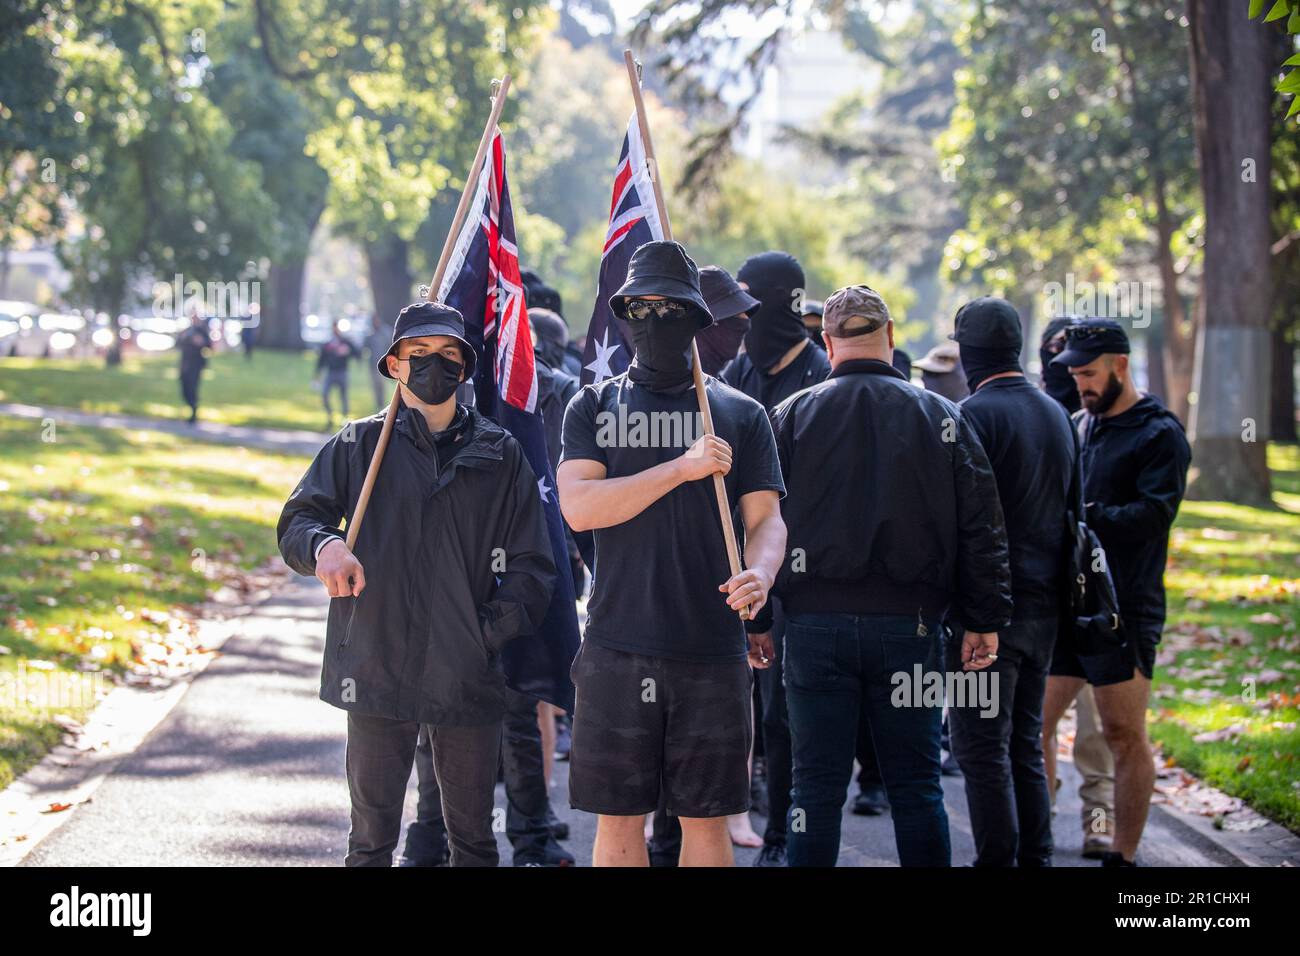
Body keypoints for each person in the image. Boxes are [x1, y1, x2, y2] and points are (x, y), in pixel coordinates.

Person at [277, 301, 556, 867]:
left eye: (448, 354)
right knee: (370, 842)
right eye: (420, 354)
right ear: (394, 365)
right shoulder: (359, 446)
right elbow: (297, 522)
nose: (435, 364)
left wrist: (484, 634)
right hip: (376, 662)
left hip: (467, 673)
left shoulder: (500, 453)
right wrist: (324, 545)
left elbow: (534, 566)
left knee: (474, 843)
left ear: (464, 367)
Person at [557, 240, 787, 867]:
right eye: (639, 308)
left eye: (670, 309)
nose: (653, 321)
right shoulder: (594, 405)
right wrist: (681, 467)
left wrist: (761, 573)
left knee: (706, 827)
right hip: (615, 644)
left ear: (696, 317)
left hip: (710, 650)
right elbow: (579, 507)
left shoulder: (740, 413)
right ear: (621, 313)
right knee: (619, 824)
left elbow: (766, 520)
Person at [766, 284, 1012, 867]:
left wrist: (756, 618)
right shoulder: (943, 417)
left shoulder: (792, 415)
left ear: (825, 342)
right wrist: (984, 619)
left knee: (814, 792)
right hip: (913, 627)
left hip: (813, 625)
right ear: (891, 336)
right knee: (917, 787)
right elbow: (983, 527)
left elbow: (756, 523)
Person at [1041, 318, 1192, 867]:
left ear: (1120, 366)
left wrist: (1083, 519)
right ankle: (1035, 842)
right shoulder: (1081, 425)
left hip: (1125, 608)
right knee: (1034, 725)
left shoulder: (1160, 433)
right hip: (1071, 603)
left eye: (1088, 373)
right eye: (1074, 374)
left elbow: (1154, 516)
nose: (1079, 384)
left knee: (1124, 733)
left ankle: (1122, 857)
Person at [948, 297, 1076, 867]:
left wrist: (976, 616)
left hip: (988, 615)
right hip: (1046, 609)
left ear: (968, 352)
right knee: (1024, 741)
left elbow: (966, 524)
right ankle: (1038, 857)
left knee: (979, 747)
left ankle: (996, 859)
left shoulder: (972, 415)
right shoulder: (1055, 414)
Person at [1038, 315, 1116, 858]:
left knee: (1095, 732)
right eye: (1057, 356)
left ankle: (1100, 822)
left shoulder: (1107, 422)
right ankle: (1038, 817)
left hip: (1097, 598)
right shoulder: (1057, 419)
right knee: (1035, 722)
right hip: (1053, 594)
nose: (1068, 370)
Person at [722, 251, 831, 406]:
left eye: (747, 296)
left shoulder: (824, 376)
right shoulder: (739, 370)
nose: (742, 310)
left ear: (778, 299)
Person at [696, 265, 758, 377]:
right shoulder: (679, 387)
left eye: (744, 311)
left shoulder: (719, 383)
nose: (746, 321)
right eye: (735, 312)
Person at [316, 321, 359, 429]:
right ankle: (330, 417)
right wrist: (317, 374)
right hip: (330, 372)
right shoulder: (328, 343)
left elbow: (357, 353)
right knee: (325, 394)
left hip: (342, 372)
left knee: (343, 396)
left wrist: (347, 351)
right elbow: (321, 360)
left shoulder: (345, 341)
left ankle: (344, 419)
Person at [176, 309, 211, 424]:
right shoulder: (187, 330)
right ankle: (191, 406)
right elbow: (178, 344)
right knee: (184, 388)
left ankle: (194, 411)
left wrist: (201, 342)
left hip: (196, 365)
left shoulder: (202, 331)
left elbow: (209, 345)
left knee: (193, 387)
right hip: (185, 363)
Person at [365, 313, 394, 411]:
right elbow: (365, 347)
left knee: (381, 385)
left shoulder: (385, 332)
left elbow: (390, 346)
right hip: (373, 364)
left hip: (383, 364)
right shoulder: (370, 334)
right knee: (375, 386)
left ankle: (382, 404)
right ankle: (379, 404)